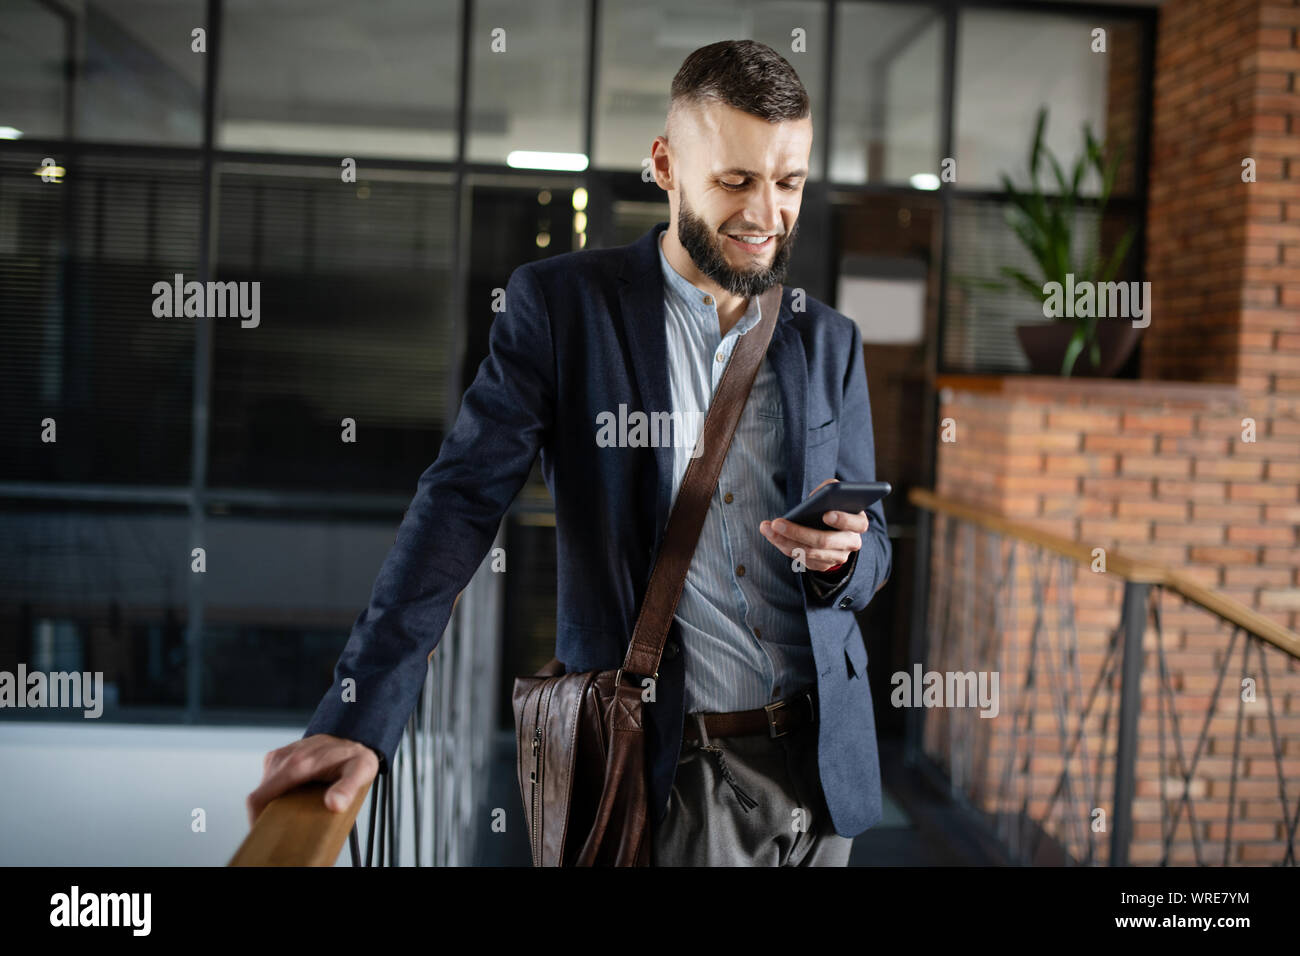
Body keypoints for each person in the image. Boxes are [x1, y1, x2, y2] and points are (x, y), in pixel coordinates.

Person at [248, 38, 891, 867]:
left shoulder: (826, 339)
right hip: (672, 773)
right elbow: (459, 506)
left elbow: (871, 551)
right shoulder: (563, 308)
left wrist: (843, 561)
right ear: (665, 165)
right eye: (735, 180)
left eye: (789, 182)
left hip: (824, 771)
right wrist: (357, 717)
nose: (767, 213)